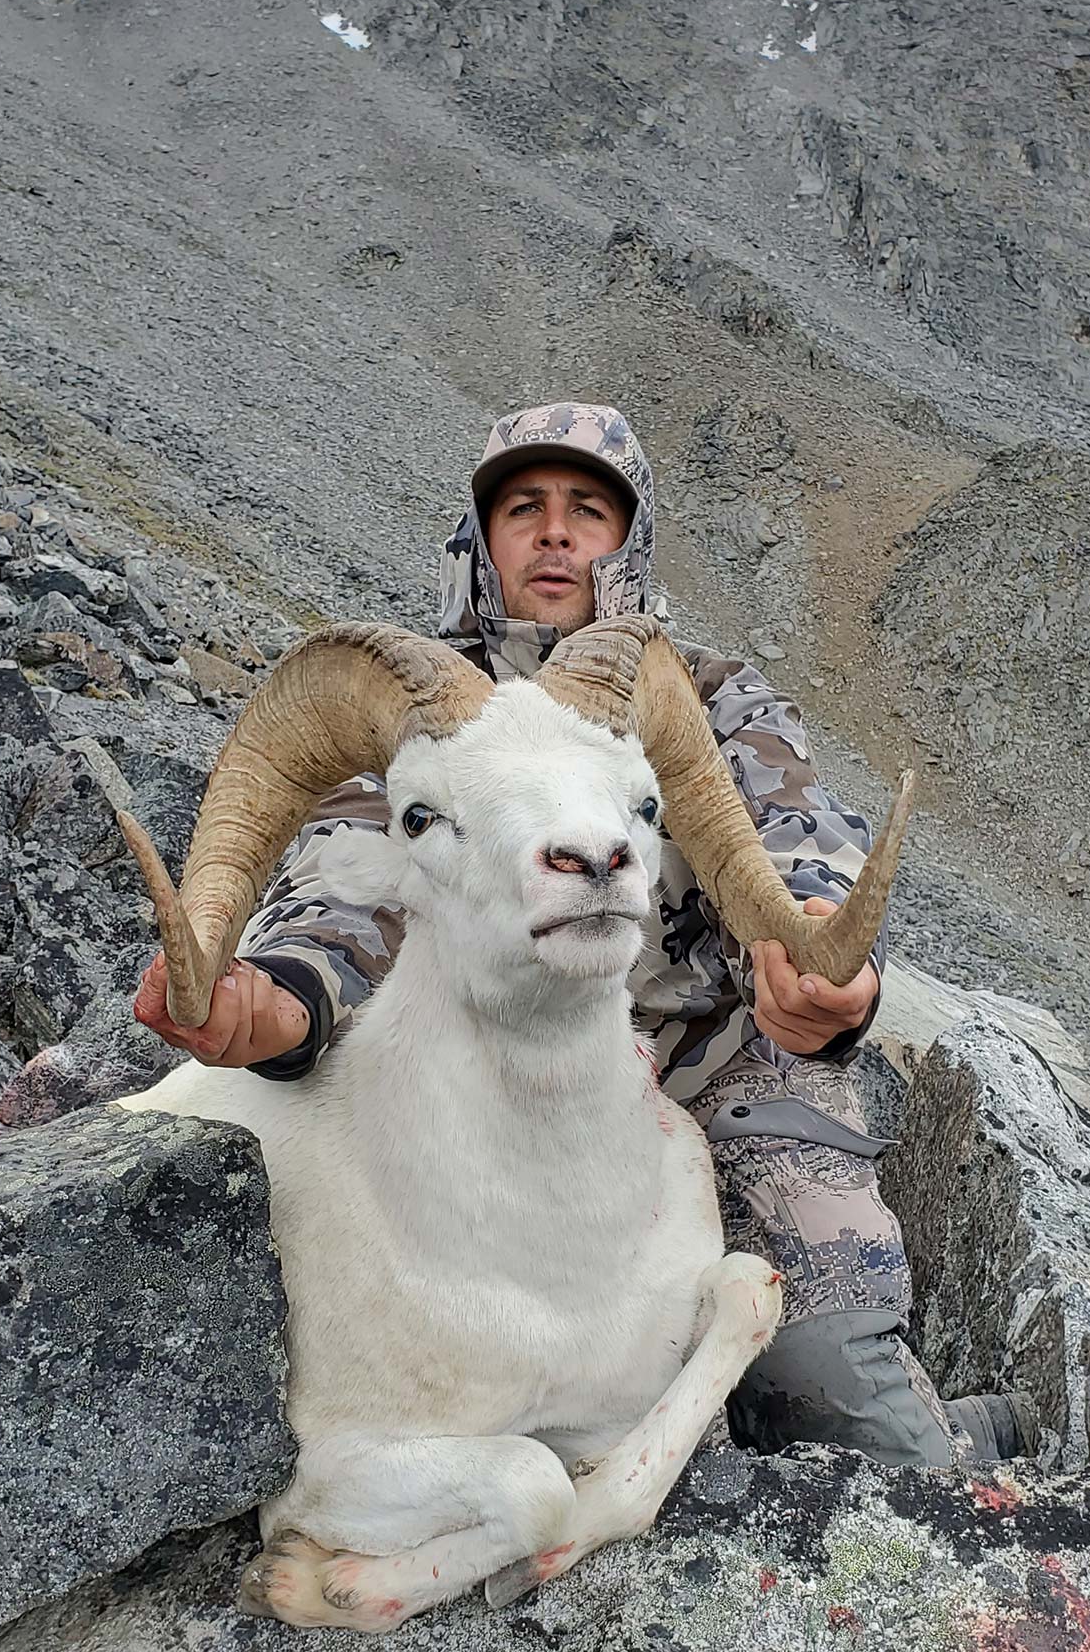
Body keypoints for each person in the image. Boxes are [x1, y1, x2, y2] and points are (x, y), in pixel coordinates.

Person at [134, 402, 1032, 1470]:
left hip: (707, 1069)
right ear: (480, 541)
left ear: (628, 541)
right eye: (522, 508)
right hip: (486, 1073)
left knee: (851, 1412)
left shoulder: (697, 694)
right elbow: (348, 885)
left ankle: (956, 1433)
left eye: (586, 510)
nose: (555, 533)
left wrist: (815, 961)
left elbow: (785, 856)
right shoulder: (406, 710)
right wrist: (277, 999)